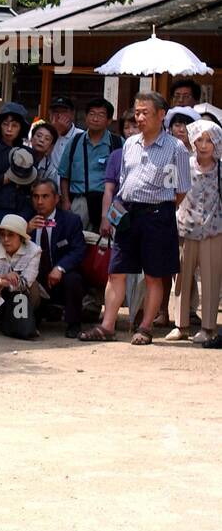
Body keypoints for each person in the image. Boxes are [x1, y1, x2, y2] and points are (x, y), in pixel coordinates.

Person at [80, 92, 191, 345]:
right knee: (116, 272)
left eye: (145, 113)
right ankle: (107, 325)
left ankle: (145, 326)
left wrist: (159, 209)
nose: (139, 118)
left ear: (161, 115)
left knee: (153, 275)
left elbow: (181, 190)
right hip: (127, 213)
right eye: (137, 112)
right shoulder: (129, 143)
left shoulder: (176, 149)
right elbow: (121, 183)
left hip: (157, 215)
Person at [167, 120, 222, 344]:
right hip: (184, 227)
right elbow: (169, 192)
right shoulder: (183, 165)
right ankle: (181, 325)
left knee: (211, 279)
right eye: (200, 139)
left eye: (209, 140)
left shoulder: (221, 168)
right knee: (181, 278)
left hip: (214, 229)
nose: (204, 145)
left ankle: (209, 328)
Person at [25, 179, 88, 338]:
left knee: (73, 278)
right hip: (35, 276)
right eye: (36, 196)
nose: (39, 201)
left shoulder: (70, 221)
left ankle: (74, 323)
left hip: (60, 274)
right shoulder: (25, 219)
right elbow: (11, 247)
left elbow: (79, 250)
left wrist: (60, 268)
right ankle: (32, 318)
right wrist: (25, 230)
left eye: (45, 196)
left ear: (57, 198)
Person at [57, 97, 118, 230]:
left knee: (105, 246)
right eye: (91, 114)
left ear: (109, 120)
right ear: (86, 117)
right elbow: (64, 175)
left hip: (108, 202)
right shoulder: (74, 142)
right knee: (78, 241)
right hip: (80, 201)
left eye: (101, 115)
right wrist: (66, 201)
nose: (95, 119)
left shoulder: (117, 143)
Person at [0, 102, 35, 228]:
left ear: (21, 128)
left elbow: (33, 181)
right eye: (5, 124)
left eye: (14, 125)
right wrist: (17, 174)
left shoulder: (28, 152)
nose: (9, 129)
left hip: (24, 209)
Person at [29, 121, 62, 190]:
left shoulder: (52, 169)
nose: (41, 140)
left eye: (47, 139)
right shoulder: (21, 157)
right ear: (31, 139)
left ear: (51, 146)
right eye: (39, 136)